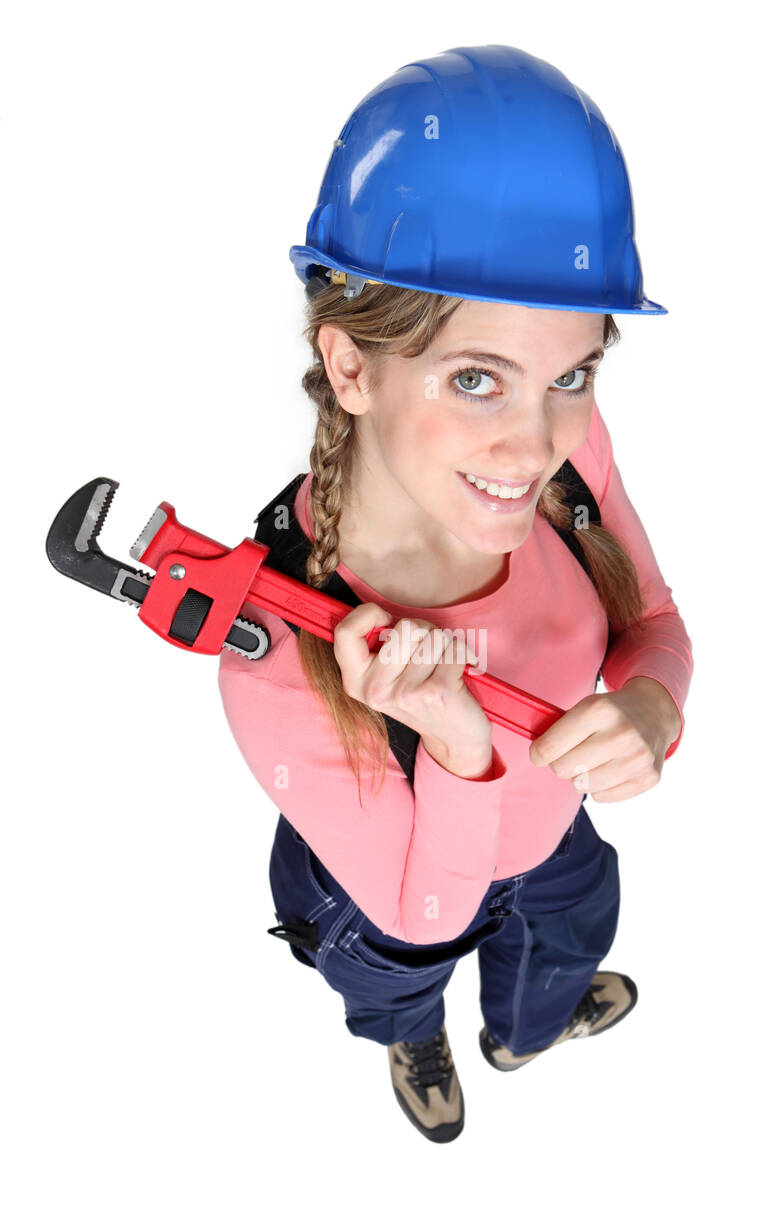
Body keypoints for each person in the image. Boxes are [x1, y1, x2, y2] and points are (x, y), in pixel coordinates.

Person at [218, 44, 693, 1143]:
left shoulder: (568, 463)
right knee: (398, 981)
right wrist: (456, 743)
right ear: (352, 368)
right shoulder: (274, 651)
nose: (532, 445)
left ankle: (525, 1030)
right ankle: (415, 1038)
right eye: (475, 378)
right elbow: (418, 909)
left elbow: (653, 623)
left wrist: (652, 703)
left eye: (570, 375)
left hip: (551, 831)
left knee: (562, 938)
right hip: (385, 895)